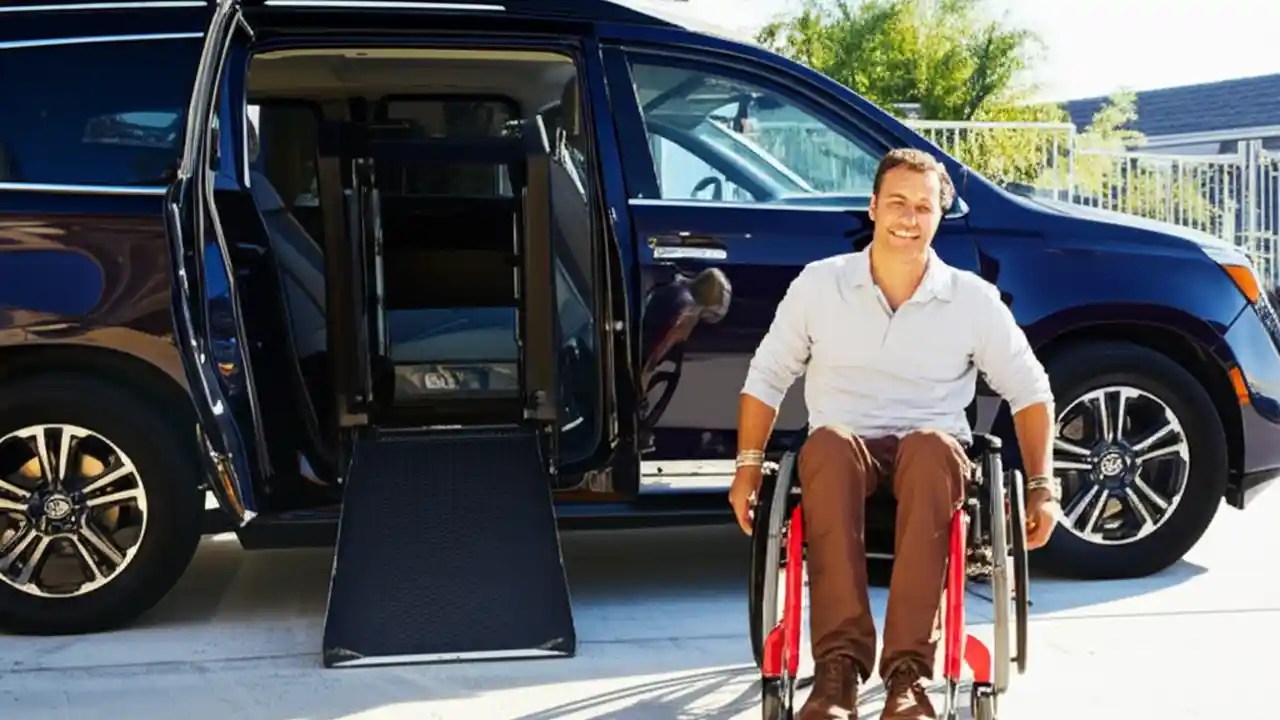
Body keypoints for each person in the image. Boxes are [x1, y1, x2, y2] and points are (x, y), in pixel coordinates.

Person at [728, 148, 1062, 720]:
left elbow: (1030, 391)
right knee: (826, 446)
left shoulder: (971, 299)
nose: (910, 219)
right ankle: (836, 673)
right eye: (899, 204)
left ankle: (908, 676)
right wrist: (748, 466)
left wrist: (1042, 485)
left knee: (932, 450)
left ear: (940, 216)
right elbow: (767, 375)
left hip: (933, 456)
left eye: (924, 207)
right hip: (843, 450)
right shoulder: (820, 285)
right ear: (874, 206)